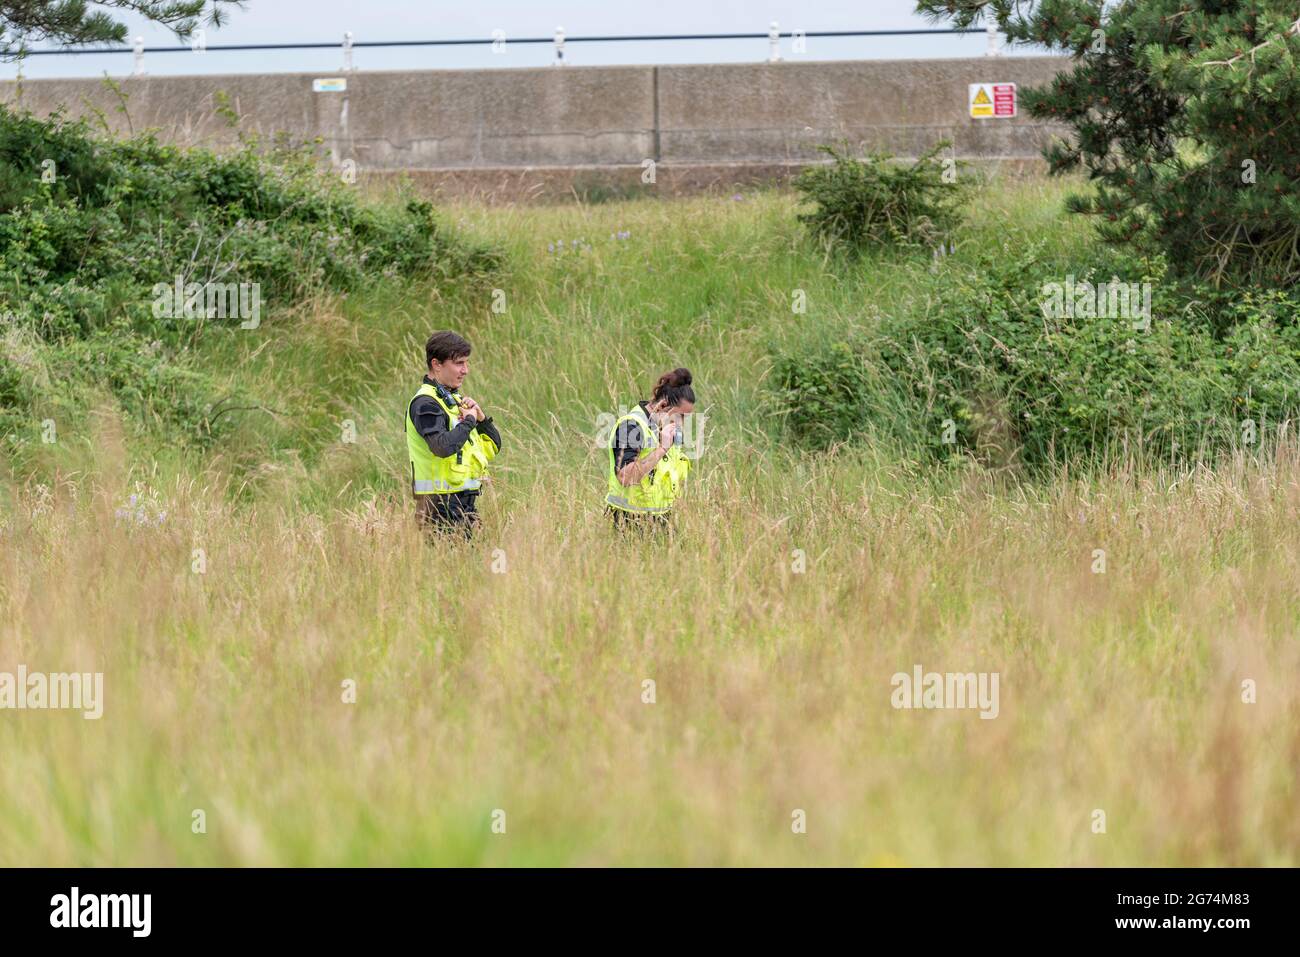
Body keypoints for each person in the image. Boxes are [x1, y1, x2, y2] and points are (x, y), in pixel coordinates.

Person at [405, 331, 501, 537]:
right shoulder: (425, 403)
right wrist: (468, 422)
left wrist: (482, 420)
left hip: (463, 506)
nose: (465, 370)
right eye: (459, 363)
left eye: (466, 363)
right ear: (437, 364)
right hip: (438, 509)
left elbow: (492, 447)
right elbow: (442, 447)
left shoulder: (452, 400)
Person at [605, 367, 696, 529]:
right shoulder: (631, 425)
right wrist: (662, 449)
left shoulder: (666, 428)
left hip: (662, 520)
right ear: (662, 405)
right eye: (680, 416)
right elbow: (625, 477)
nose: (681, 423)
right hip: (628, 522)